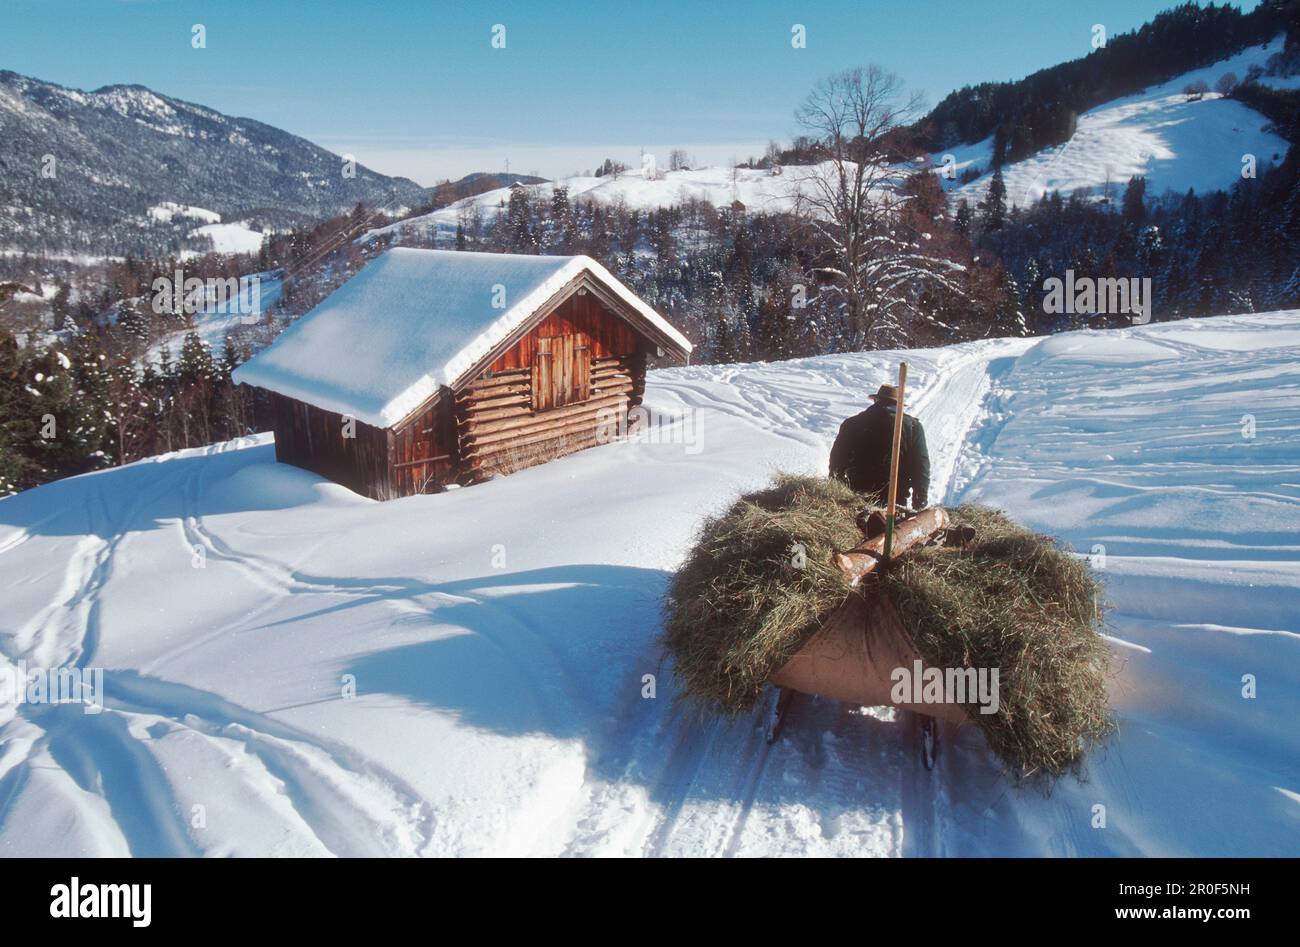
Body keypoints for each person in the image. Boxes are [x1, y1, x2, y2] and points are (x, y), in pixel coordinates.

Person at [829, 383, 930, 508]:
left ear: (876, 400)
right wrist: (920, 498)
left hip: (856, 496)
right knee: (887, 526)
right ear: (899, 405)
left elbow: (837, 459)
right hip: (894, 500)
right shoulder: (913, 427)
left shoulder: (852, 423)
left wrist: (835, 488)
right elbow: (921, 465)